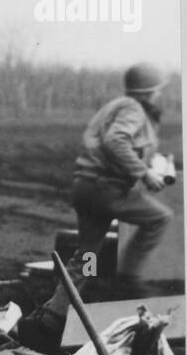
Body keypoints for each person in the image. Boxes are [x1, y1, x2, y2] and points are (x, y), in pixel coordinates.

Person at [67, 61, 173, 288]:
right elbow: (115, 140)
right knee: (159, 217)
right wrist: (144, 174)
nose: (158, 94)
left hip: (86, 188)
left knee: (88, 253)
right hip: (106, 191)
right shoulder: (133, 109)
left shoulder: (116, 106)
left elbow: (118, 143)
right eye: (157, 90)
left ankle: (59, 309)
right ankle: (129, 278)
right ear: (148, 91)